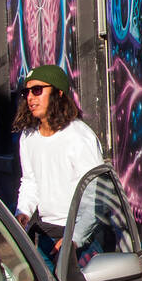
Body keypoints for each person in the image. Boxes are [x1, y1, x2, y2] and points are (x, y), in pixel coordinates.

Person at [13, 65, 104, 267]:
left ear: (58, 92)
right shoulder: (28, 136)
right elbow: (30, 181)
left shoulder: (79, 137)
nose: (30, 97)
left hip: (78, 239)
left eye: (37, 90)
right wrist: (23, 213)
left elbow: (96, 196)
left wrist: (74, 239)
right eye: (26, 91)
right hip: (44, 234)